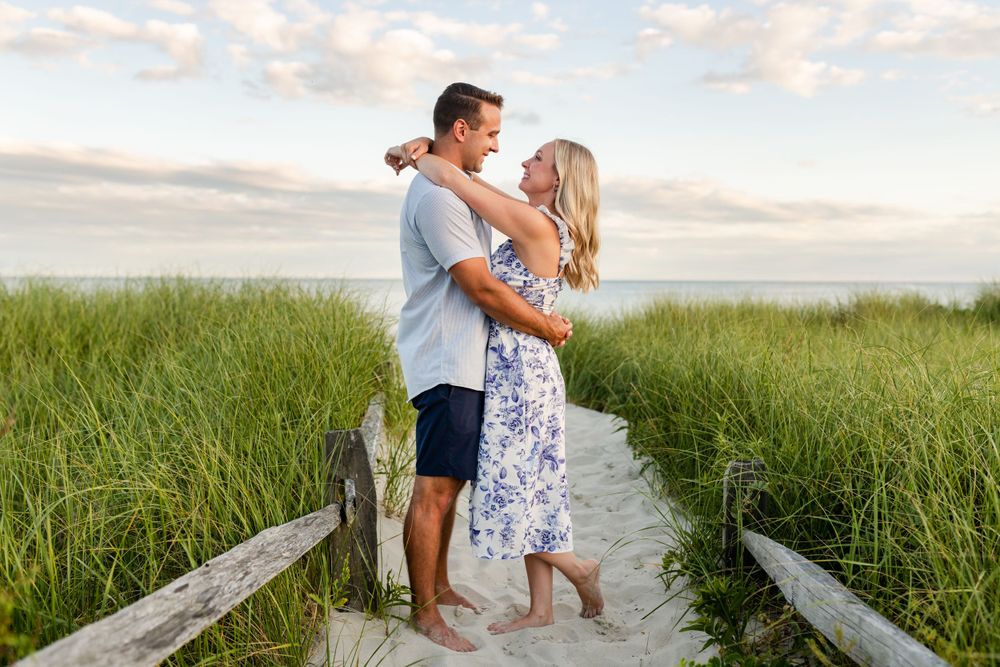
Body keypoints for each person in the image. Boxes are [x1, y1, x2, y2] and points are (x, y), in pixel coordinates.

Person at [386, 122, 604, 635]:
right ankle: (541, 610)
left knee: (521, 485)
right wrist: (417, 146)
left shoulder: (536, 227)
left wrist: (417, 154)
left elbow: (458, 180)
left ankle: (578, 567)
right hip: (519, 365)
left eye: (538, 158)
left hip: (522, 373)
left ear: (558, 180)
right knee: (536, 484)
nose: (524, 161)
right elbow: (465, 177)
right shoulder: (536, 219)